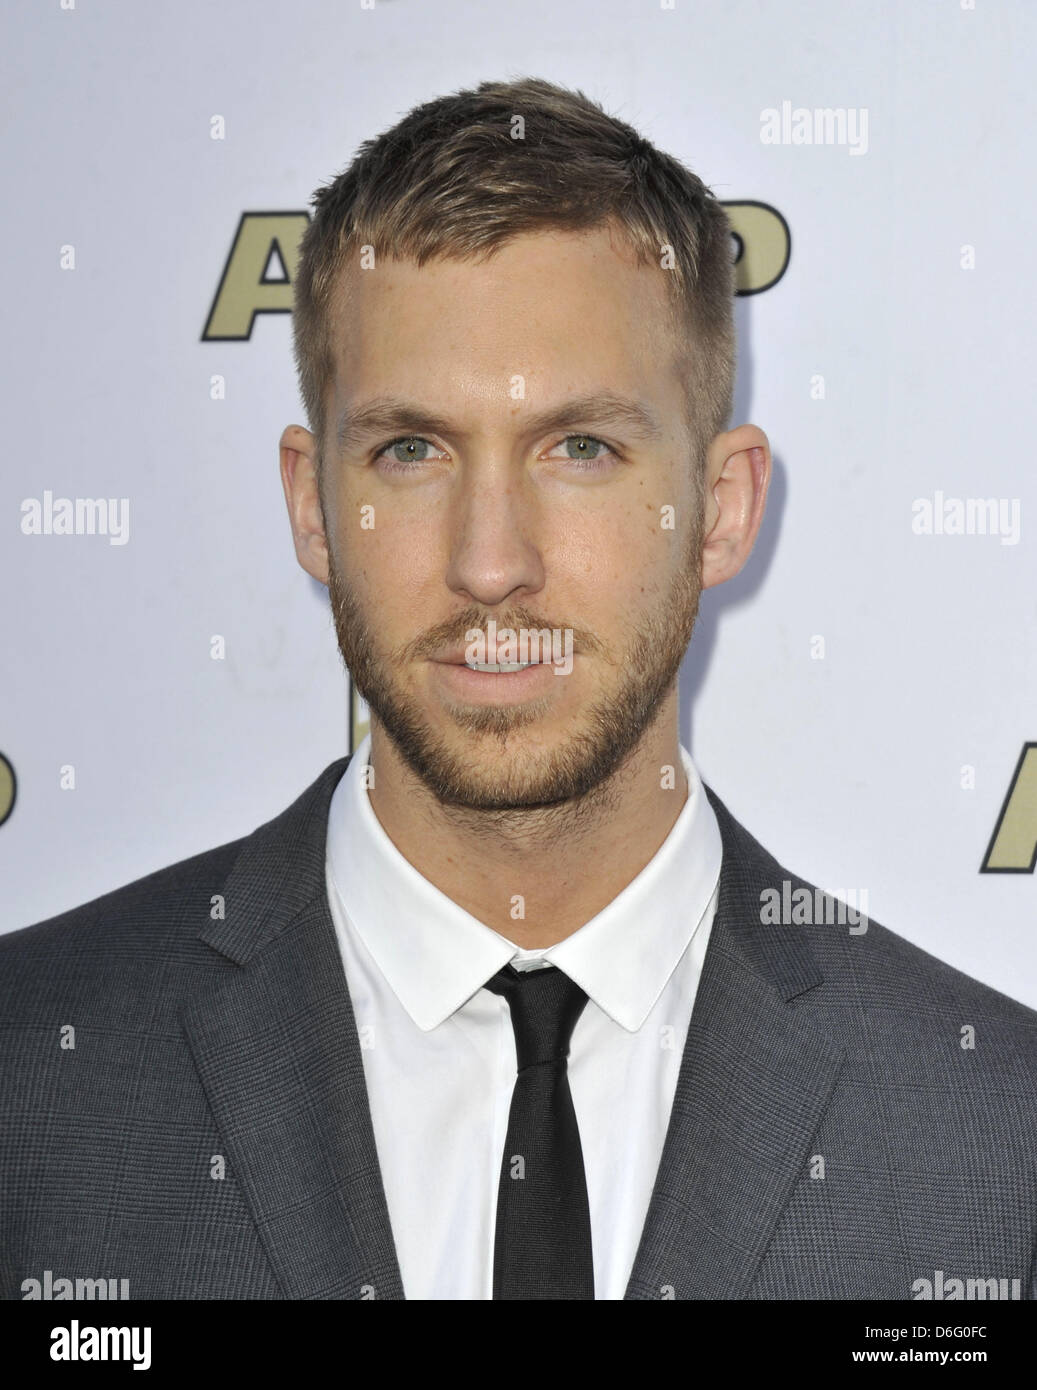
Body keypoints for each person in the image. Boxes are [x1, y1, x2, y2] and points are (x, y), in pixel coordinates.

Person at [3, 77, 1036, 1303]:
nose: (490, 561)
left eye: (580, 448)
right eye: (411, 450)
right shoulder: (34, 1081)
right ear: (310, 505)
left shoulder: (992, 1139)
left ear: (722, 508)